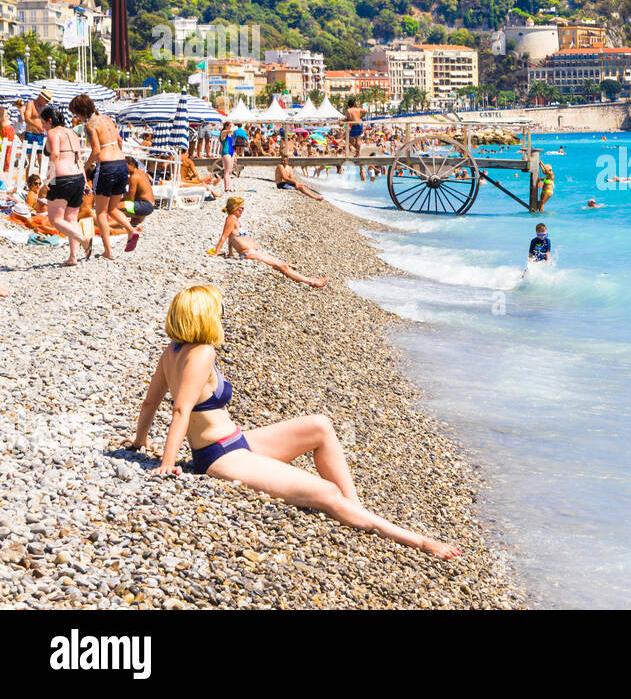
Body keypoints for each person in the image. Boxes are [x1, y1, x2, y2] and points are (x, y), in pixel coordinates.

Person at [122, 285, 460, 559]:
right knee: (326, 492)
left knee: (320, 426)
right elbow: (180, 410)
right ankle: (418, 541)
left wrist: (140, 441)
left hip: (237, 441)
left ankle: (357, 511)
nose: (223, 314)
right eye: (218, 308)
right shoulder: (202, 353)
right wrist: (167, 463)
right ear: (205, 316)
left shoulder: (172, 351)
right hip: (219, 457)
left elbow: (151, 401)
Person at [69, 93, 141, 257]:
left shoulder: (90, 125)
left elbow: (96, 151)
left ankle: (108, 251)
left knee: (101, 211)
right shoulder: (108, 119)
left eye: (76, 114)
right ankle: (131, 230)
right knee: (113, 208)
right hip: (121, 164)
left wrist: (84, 167)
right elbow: (120, 142)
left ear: (81, 111)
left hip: (106, 166)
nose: (77, 117)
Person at [211, 197, 327, 287]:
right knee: (281, 265)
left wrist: (230, 252)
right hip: (248, 254)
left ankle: (310, 279)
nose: (243, 210)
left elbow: (232, 237)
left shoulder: (235, 219)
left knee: (283, 263)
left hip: (254, 251)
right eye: (241, 208)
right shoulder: (231, 219)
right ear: (235, 208)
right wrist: (216, 253)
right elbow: (224, 236)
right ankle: (311, 282)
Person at [39, 106, 87, 267]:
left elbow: (55, 154)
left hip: (62, 178)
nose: (42, 125)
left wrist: (50, 178)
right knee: (71, 219)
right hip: (78, 177)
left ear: (50, 120)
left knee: (55, 219)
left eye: (43, 122)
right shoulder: (72, 132)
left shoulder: (53, 133)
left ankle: (84, 240)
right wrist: (86, 182)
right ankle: (73, 257)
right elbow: (79, 158)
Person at [121, 156, 157, 226]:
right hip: (150, 205)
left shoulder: (134, 177)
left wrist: (119, 201)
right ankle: (136, 220)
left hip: (144, 205)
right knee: (122, 207)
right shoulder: (142, 173)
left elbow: (130, 199)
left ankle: (139, 216)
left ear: (131, 164)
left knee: (114, 208)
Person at [218, 122, 236, 193]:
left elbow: (231, 145)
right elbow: (231, 131)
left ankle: (229, 186)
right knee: (226, 171)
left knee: (230, 171)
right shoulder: (223, 132)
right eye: (230, 126)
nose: (232, 127)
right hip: (226, 153)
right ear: (226, 126)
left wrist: (234, 155)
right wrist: (232, 126)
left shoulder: (229, 134)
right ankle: (226, 188)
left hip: (231, 153)